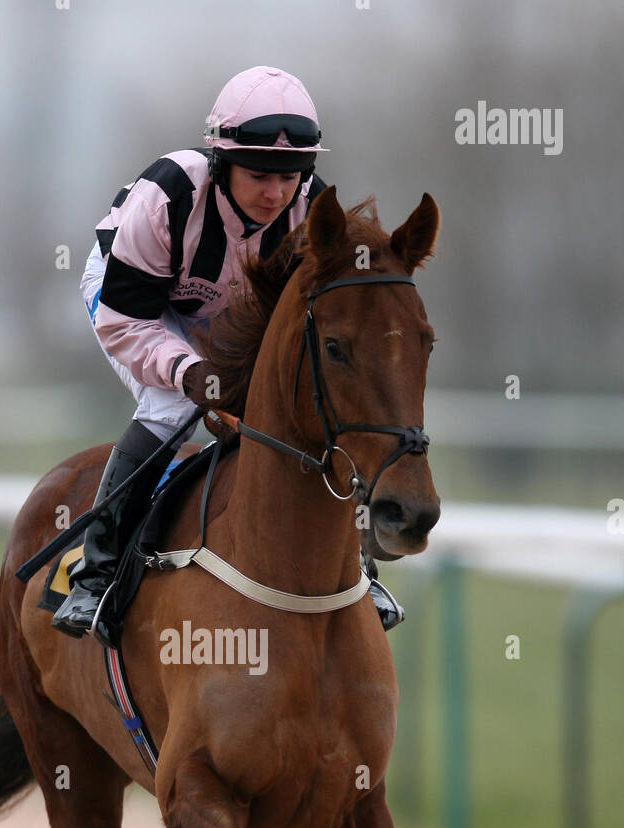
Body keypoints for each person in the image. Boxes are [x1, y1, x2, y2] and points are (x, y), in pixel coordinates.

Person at [53, 65, 404, 638]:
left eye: (291, 177)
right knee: (170, 409)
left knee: (306, 407)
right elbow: (126, 320)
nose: (275, 193)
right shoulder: (168, 195)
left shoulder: (311, 213)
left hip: (231, 308)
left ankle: (356, 567)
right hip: (135, 297)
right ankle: (98, 572)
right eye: (260, 175)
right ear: (220, 160)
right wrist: (188, 371)